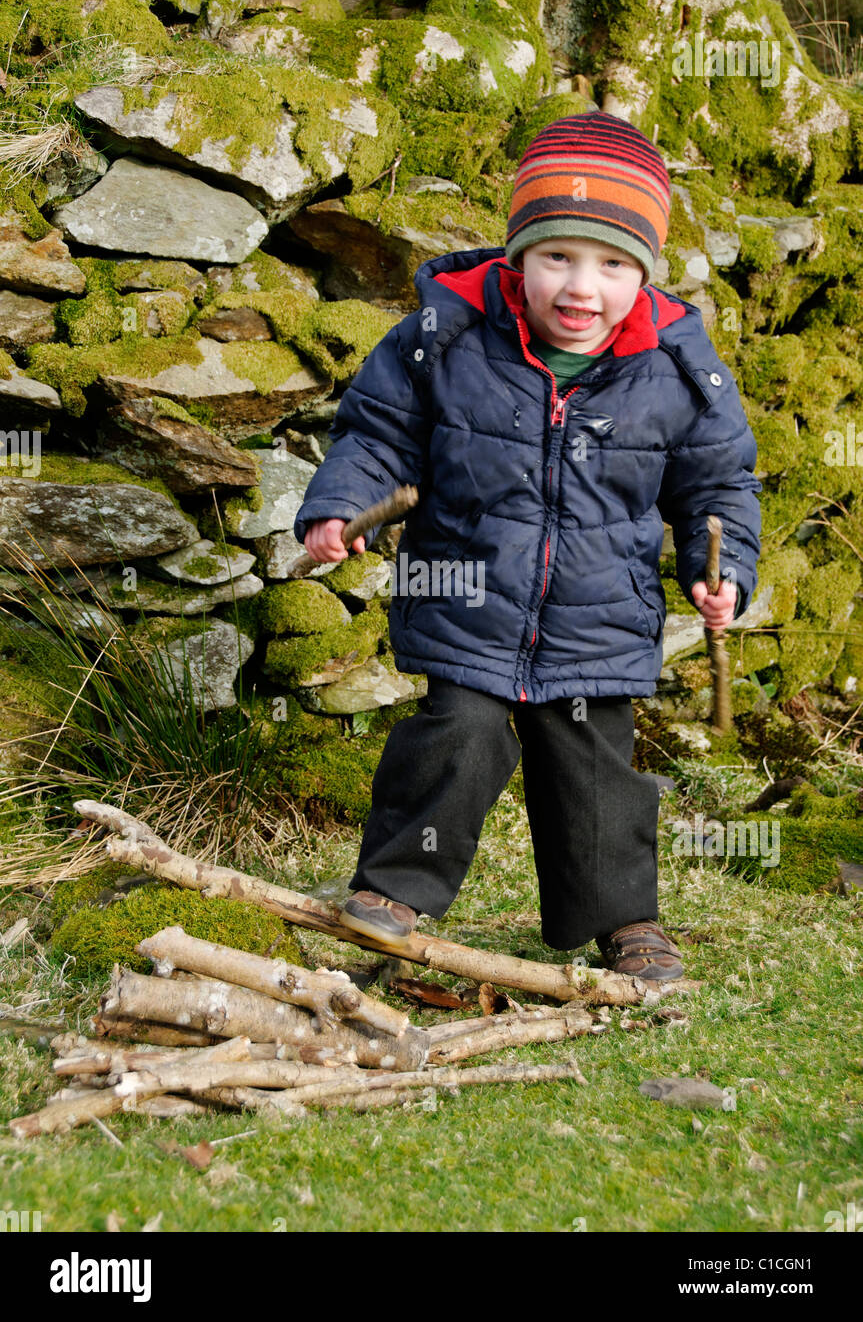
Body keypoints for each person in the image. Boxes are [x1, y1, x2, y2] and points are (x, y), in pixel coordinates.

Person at [293, 111, 761, 981]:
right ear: (517, 257)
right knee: (455, 736)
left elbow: (719, 487)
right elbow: (375, 436)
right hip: (469, 594)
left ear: (644, 274)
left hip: (597, 612)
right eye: (558, 257)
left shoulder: (674, 371)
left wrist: (720, 569)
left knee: (593, 769)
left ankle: (622, 920)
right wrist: (340, 505)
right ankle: (393, 896)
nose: (582, 286)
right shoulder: (446, 339)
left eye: (613, 263)